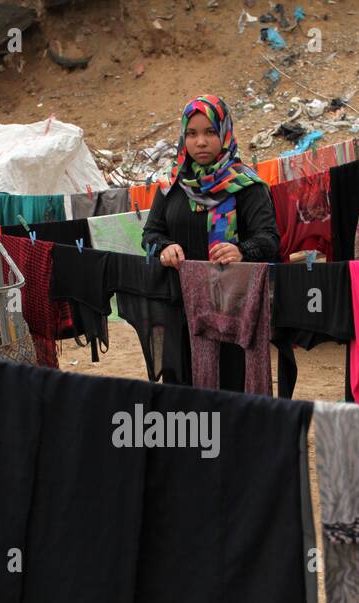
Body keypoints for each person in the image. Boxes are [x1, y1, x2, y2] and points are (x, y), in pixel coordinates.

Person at [142, 95, 279, 390]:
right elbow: (150, 236)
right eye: (192, 134)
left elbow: (269, 240)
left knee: (231, 386)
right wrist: (164, 246)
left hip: (232, 310)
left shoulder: (246, 186)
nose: (200, 142)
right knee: (183, 387)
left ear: (225, 133)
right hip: (180, 308)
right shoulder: (172, 186)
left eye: (210, 132)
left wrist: (242, 250)